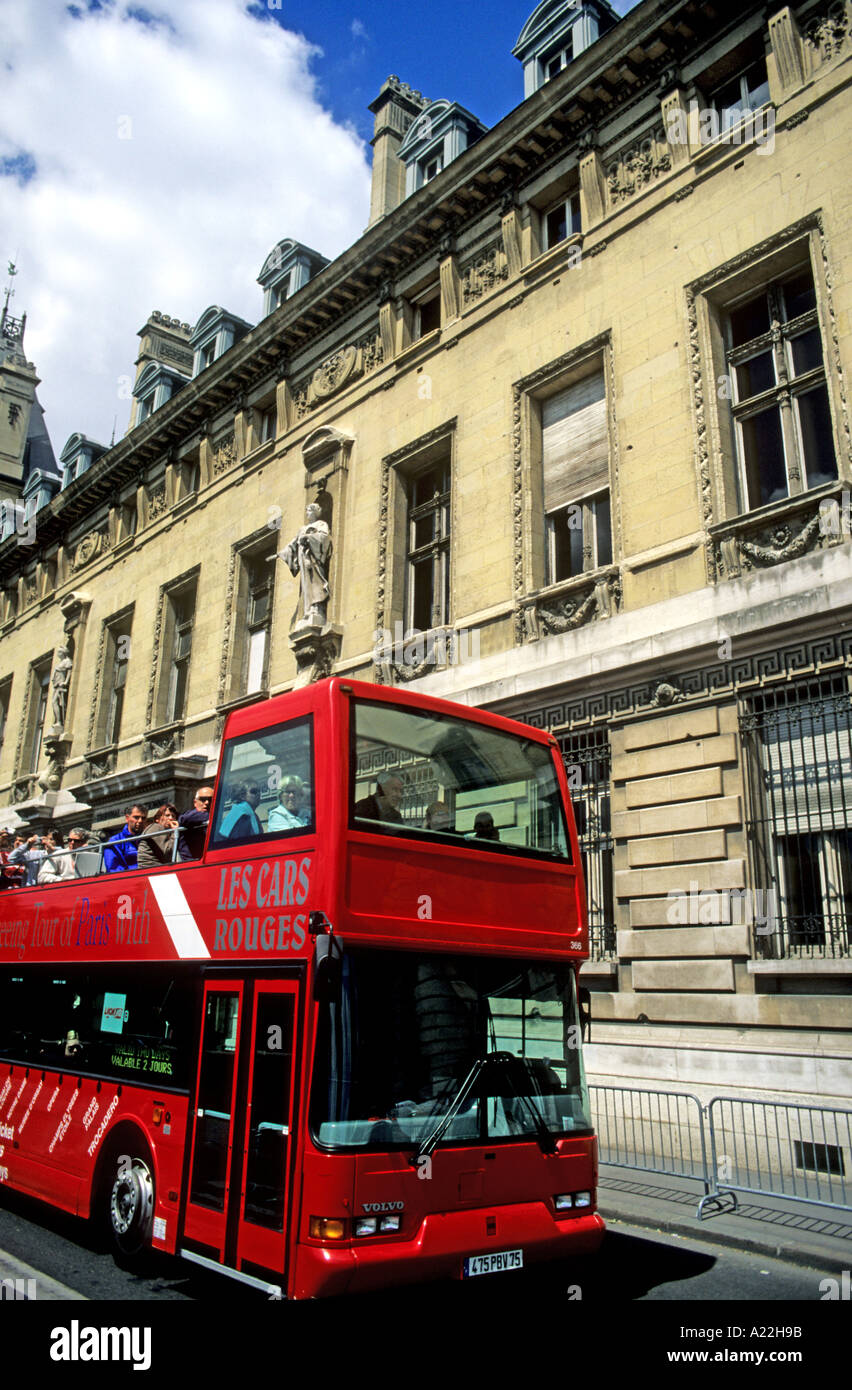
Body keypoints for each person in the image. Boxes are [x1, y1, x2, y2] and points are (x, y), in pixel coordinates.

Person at [278, 501, 332, 626]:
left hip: (314, 559)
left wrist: (308, 538)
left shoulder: (321, 524)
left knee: (315, 582)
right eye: (307, 510)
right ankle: (308, 610)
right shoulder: (301, 529)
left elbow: (324, 538)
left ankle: (317, 608)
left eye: (309, 510)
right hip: (303, 558)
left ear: (314, 512)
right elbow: (292, 545)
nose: (307, 513)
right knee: (306, 584)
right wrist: (280, 554)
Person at [103, 805, 146, 872]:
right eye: (136, 817)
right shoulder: (115, 841)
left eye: (143, 818)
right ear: (127, 818)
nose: (140, 821)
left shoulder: (149, 838)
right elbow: (113, 869)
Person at [177, 785, 214, 861]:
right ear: (195, 802)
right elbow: (185, 819)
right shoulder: (189, 816)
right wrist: (214, 817)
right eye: (203, 799)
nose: (207, 802)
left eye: (210, 799)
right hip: (192, 862)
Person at [137, 804, 179, 868]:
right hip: (151, 869)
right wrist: (175, 831)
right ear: (157, 819)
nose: (171, 818)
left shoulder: (165, 831)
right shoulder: (156, 827)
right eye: (167, 815)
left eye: (173, 816)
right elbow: (169, 852)